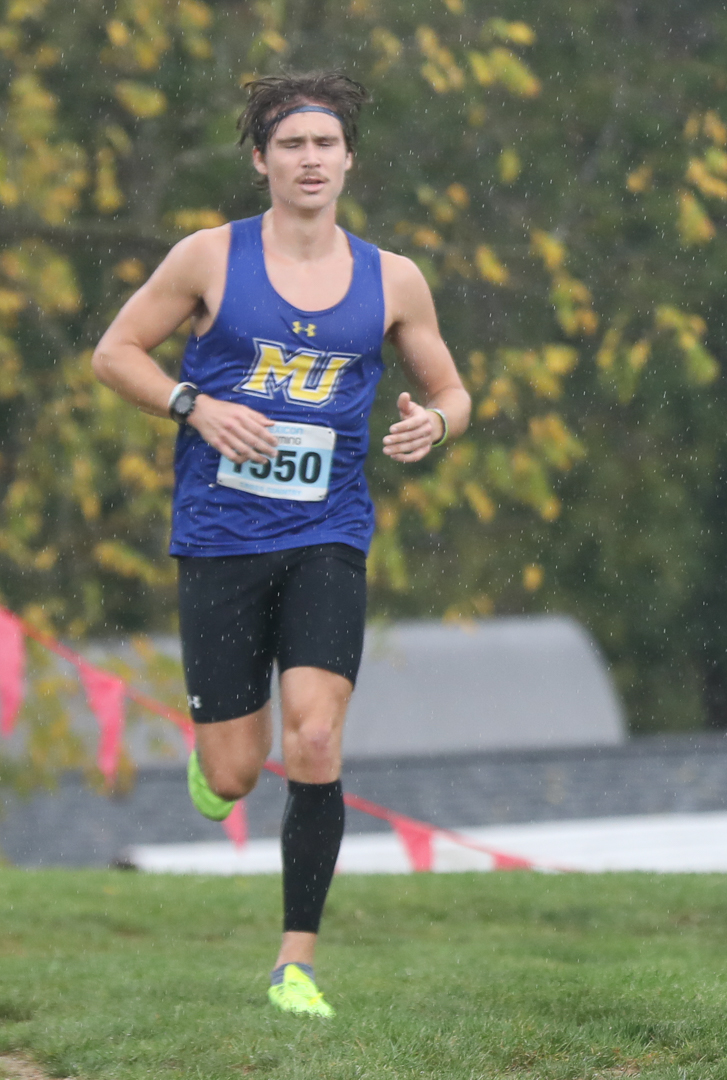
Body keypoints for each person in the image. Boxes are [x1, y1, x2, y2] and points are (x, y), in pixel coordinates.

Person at [91, 72, 470, 1019]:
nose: (310, 160)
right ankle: (214, 756)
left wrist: (435, 424)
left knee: (315, 735)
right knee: (234, 771)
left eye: (325, 144)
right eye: (292, 145)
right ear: (261, 160)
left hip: (326, 532)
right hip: (219, 535)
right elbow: (115, 353)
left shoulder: (393, 278)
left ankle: (294, 962)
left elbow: (453, 391)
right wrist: (194, 404)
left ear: (349, 161)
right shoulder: (208, 258)